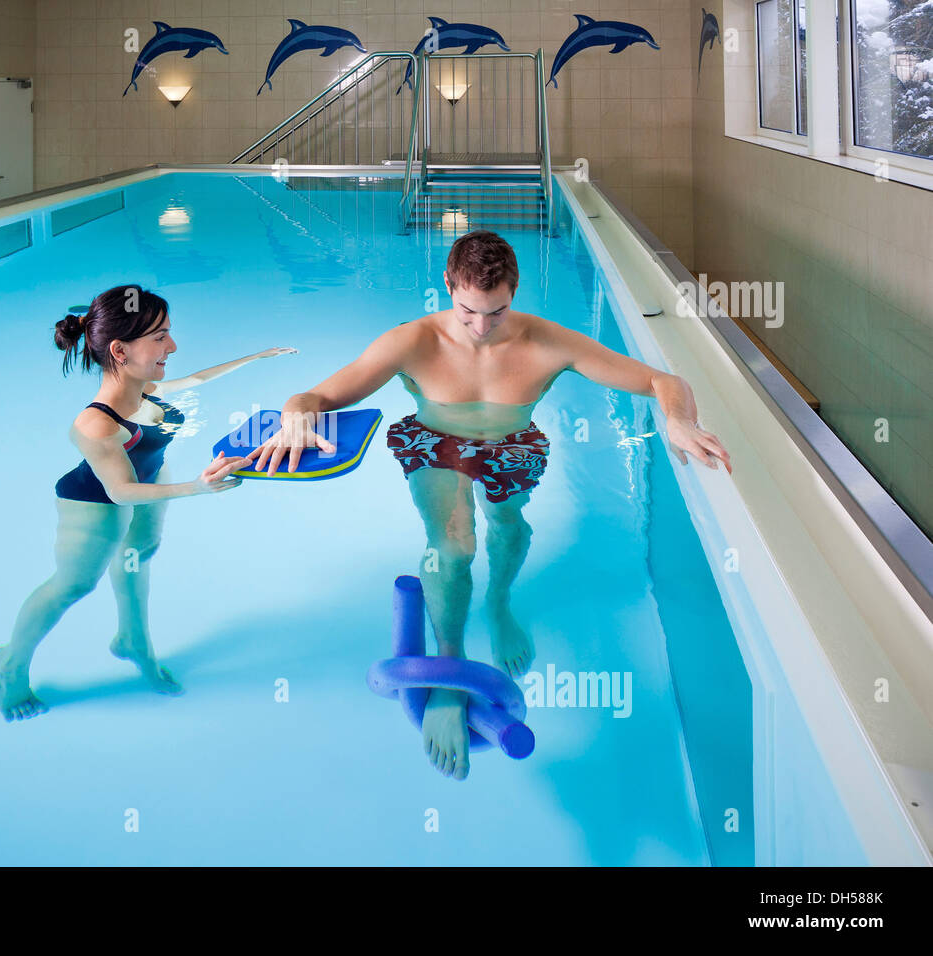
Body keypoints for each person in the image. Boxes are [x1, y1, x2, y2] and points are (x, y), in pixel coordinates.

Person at [246, 231, 732, 780]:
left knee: (508, 526)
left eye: (497, 312)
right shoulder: (411, 342)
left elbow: (660, 380)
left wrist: (679, 419)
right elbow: (316, 397)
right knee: (452, 547)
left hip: (511, 446)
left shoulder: (550, 342)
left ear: (514, 291)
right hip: (438, 446)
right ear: (448, 287)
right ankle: (450, 663)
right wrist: (296, 417)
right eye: (468, 311)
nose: (481, 327)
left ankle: (499, 603)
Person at [0, 284, 296, 722]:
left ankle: (134, 639)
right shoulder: (94, 423)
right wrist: (198, 487)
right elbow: (119, 491)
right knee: (73, 585)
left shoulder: (146, 386)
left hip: (150, 478)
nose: (173, 345)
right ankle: (8, 664)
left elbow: (195, 380)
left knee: (139, 554)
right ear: (120, 349)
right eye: (159, 337)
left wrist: (255, 357)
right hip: (95, 504)